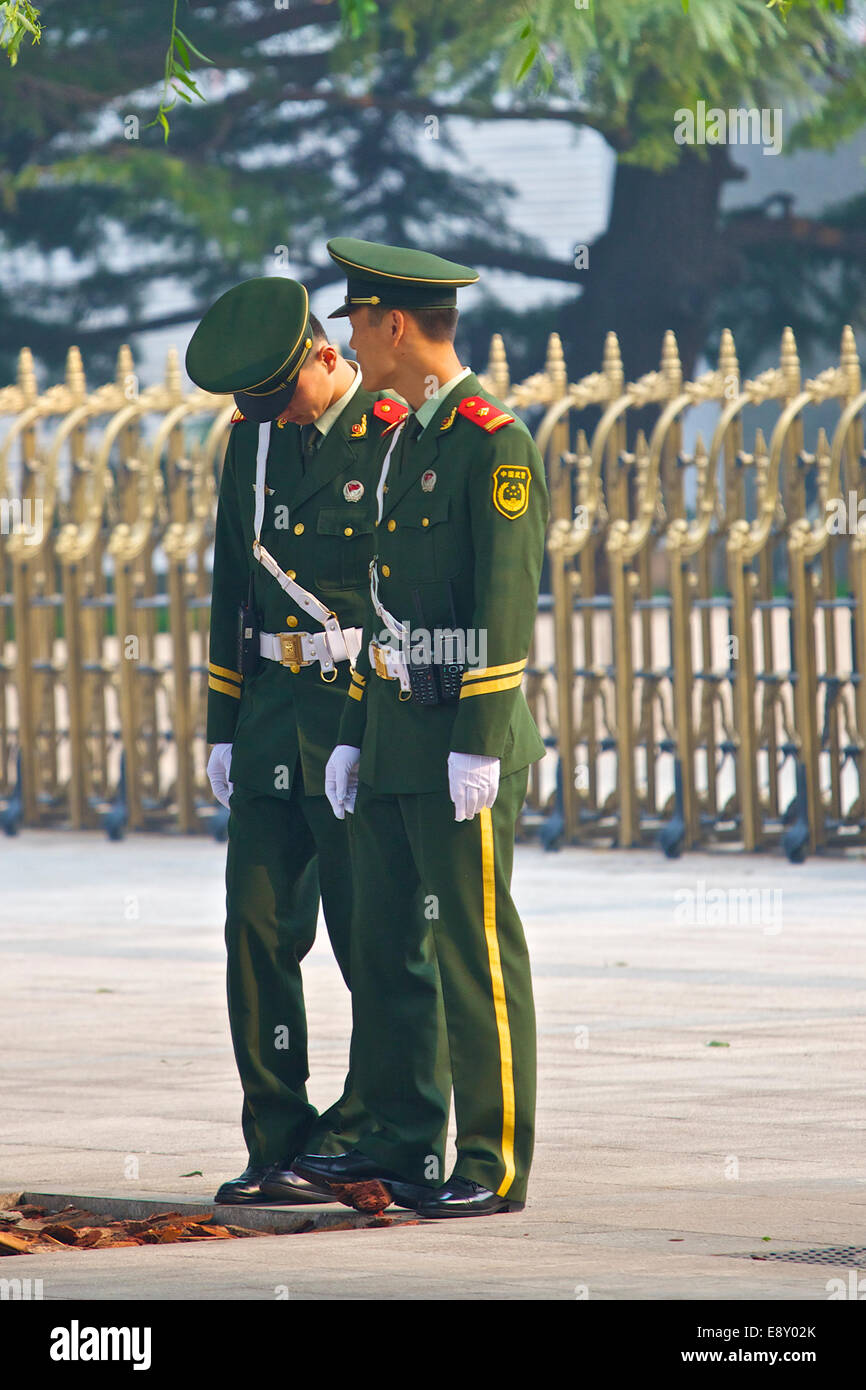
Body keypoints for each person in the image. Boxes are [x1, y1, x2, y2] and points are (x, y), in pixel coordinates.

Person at [293, 238, 549, 1217]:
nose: (348, 335)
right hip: (396, 732)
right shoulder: (403, 433)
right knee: (390, 939)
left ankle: (490, 1160)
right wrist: (358, 724)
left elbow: (502, 602)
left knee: (472, 951)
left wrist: (480, 741)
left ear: (393, 325)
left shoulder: (491, 440)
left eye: (355, 319)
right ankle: (403, 1141)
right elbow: (378, 598)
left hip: (457, 741)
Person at [185, 275, 449, 1205]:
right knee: (256, 935)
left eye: (284, 395)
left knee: (378, 941)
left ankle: (398, 1134)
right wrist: (222, 723)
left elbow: (404, 592)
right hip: (267, 728)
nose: (277, 417)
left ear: (326, 357)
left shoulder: (390, 434)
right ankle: (278, 1141)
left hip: (354, 721)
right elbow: (231, 586)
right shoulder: (253, 438)